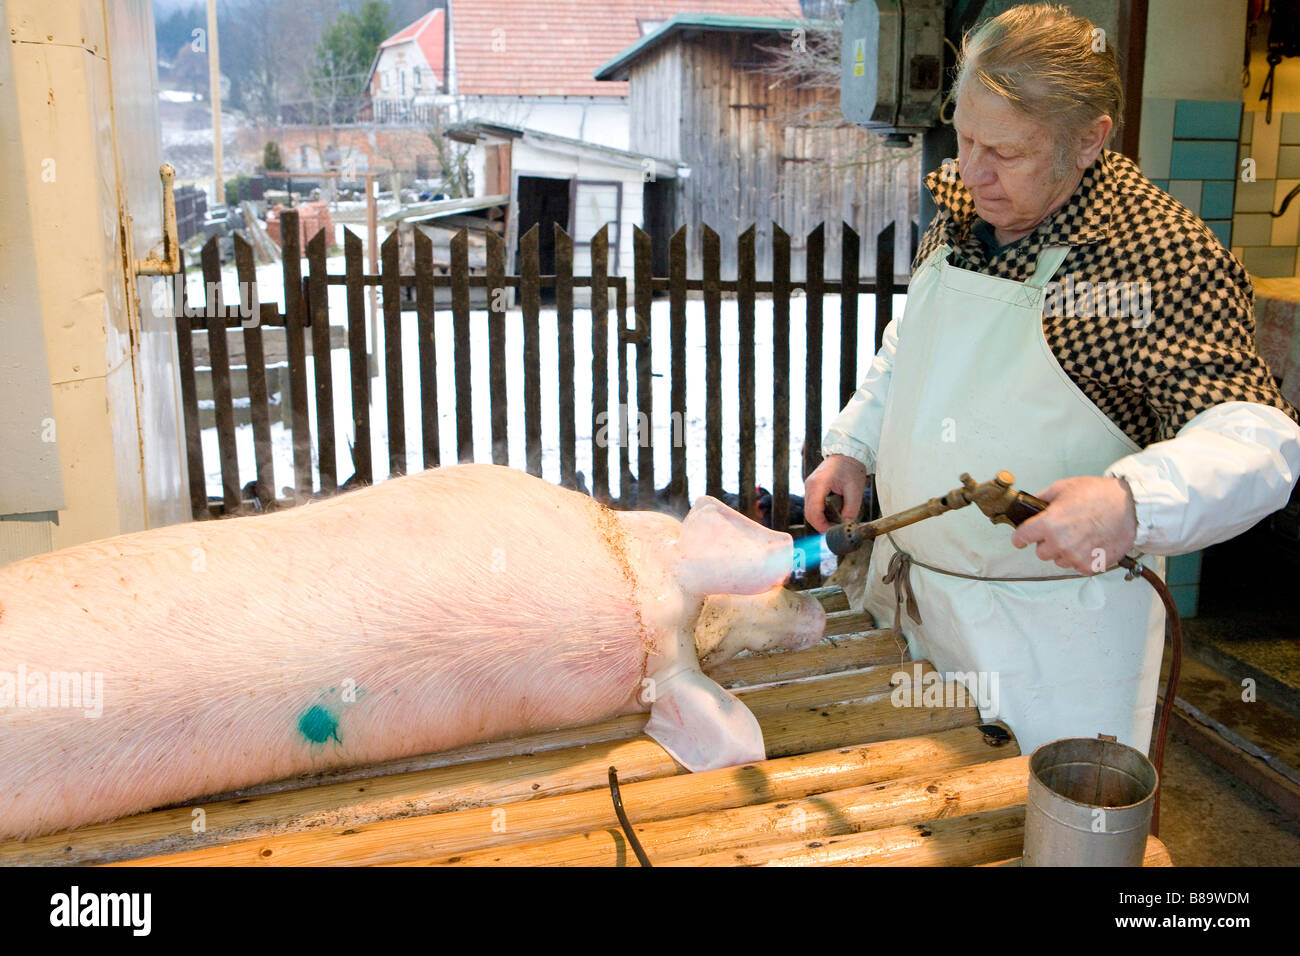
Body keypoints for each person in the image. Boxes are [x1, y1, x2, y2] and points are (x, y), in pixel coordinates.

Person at [803, 3, 1300, 755]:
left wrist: (1133, 501)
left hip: (1049, 654)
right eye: (966, 138)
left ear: (1090, 139)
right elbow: (915, 347)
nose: (974, 170)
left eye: (1006, 151)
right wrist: (854, 444)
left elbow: (1259, 437)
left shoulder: (1163, 260)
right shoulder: (965, 210)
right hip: (911, 609)